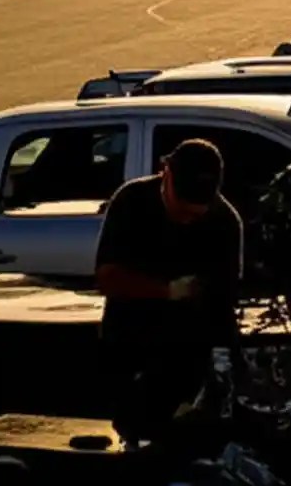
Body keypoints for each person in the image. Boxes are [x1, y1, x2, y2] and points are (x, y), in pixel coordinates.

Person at [94, 138, 244, 446]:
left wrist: (221, 366)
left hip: (184, 360)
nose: (187, 219)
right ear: (167, 174)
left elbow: (223, 307)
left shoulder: (225, 223)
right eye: (181, 209)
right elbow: (107, 277)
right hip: (128, 346)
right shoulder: (131, 201)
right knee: (129, 437)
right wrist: (166, 291)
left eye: (195, 214)